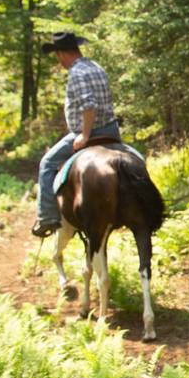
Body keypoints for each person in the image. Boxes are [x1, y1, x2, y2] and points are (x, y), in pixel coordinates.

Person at [32, 32, 122, 238]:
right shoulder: (96, 67)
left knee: (47, 163)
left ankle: (47, 218)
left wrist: (84, 135)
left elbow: (88, 106)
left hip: (90, 132)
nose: (59, 61)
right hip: (112, 130)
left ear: (62, 53)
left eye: (57, 56)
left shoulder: (77, 73)